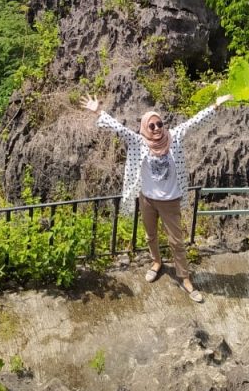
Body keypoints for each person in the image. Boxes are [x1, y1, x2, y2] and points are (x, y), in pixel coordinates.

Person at [79, 93, 232, 302]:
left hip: (170, 201)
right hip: (147, 199)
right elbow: (118, 128)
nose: (157, 128)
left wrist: (215, 106)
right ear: (144, 128)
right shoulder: (138, 142)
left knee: (176, 242)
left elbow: (194, 122)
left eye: (159, 124)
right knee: (150, 236)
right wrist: (98, 111)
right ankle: (156, 262)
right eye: (151, 126)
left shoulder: (174, 137)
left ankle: (184, 277)